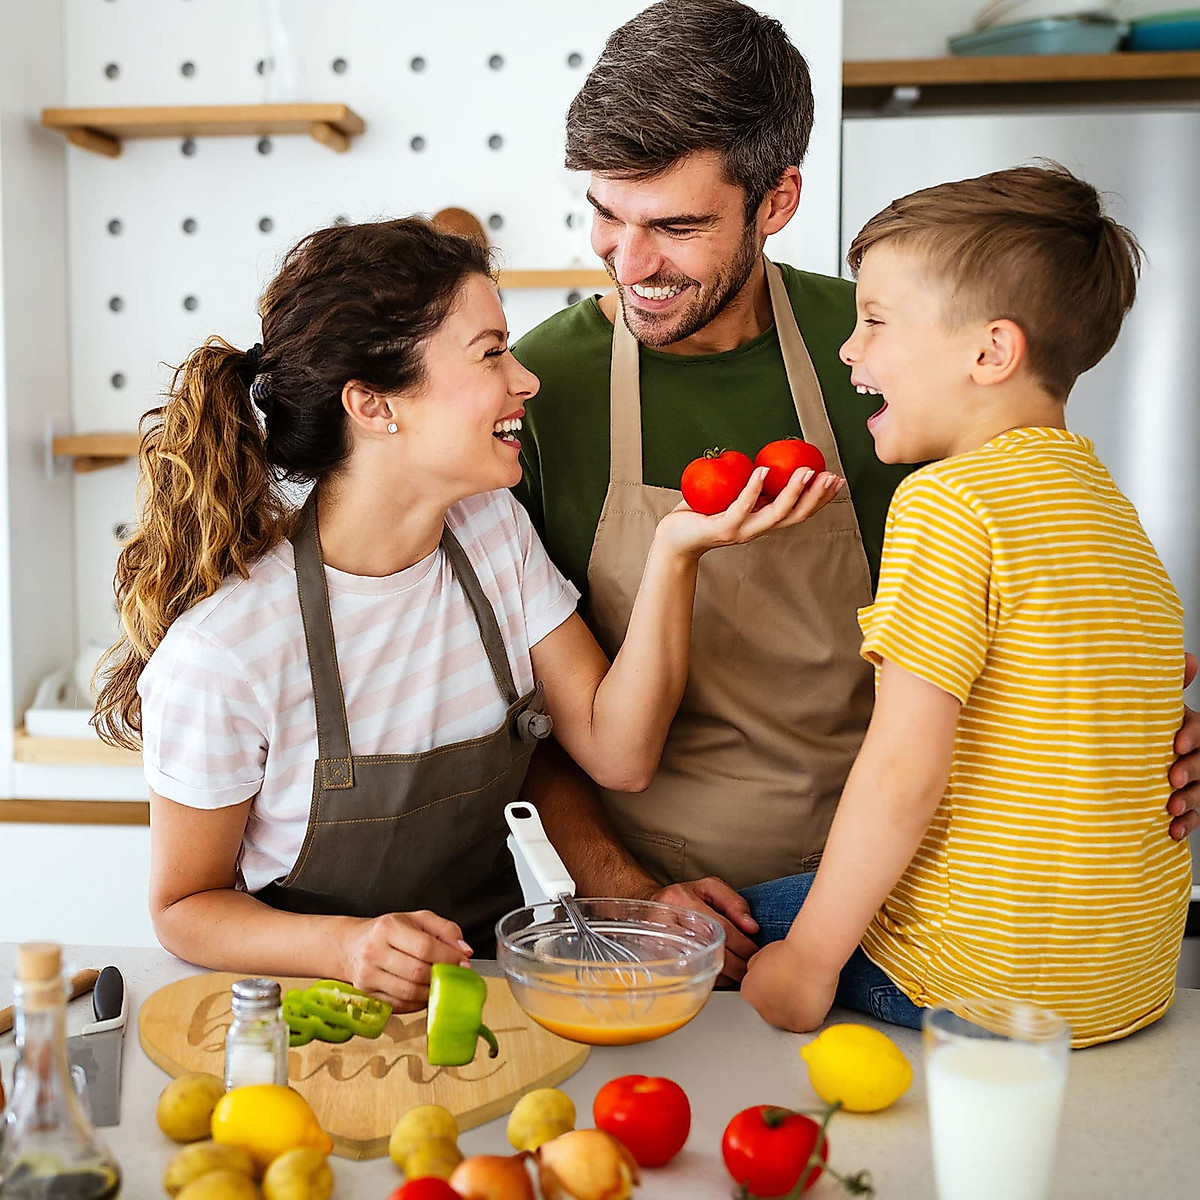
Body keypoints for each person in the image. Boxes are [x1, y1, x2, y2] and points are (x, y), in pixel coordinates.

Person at [511, 0, 1200, 986]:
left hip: (913, 909)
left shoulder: (898, 359)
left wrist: (1137, 738)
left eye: (675, 226)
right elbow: (511, 727)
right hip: (654, 925)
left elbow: (1039, 608)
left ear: (777, 200)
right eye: (605, 216)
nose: (629, 264)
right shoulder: (541, 392)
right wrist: (627, 892)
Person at [92, 218, 836, 1009]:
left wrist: (676, 552)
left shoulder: (491, 535)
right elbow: (182, 910)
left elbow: (620, 753)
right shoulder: (230, 648)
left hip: (496, 995)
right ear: (375, 406)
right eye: (491, 354)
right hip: (321, 1016)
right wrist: (348, 946)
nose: (527, 380)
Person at [739, 163, 1191, 1046]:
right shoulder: (1110, 509)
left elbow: (903, 774)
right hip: (1125, 982)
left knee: (713, 926)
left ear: (990, 352)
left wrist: (810, 964)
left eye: (875, 321)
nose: (849, 349)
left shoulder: (949, 503)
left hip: (982, 982)